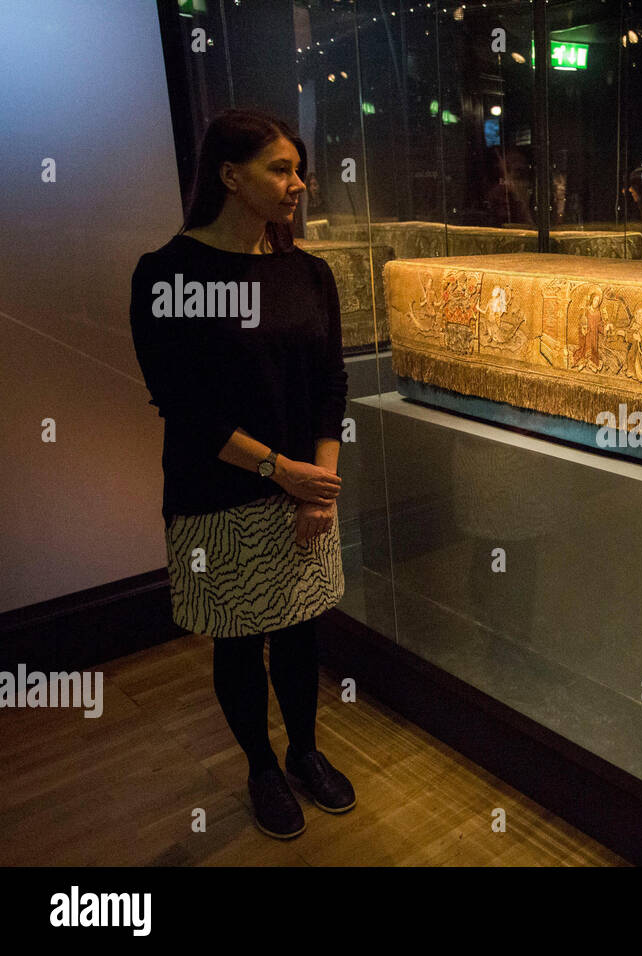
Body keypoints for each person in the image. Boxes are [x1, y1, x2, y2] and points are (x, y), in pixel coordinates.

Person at [129, 109, 355, 840]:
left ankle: (305, 752)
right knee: (237, 638)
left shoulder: (308, 272)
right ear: (230, 176)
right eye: (280, 169)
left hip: (302, 491)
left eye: (299, 169)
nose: (298, 184)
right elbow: (183, 408)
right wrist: (279, 470)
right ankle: (261, 764)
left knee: (298, 634)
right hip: (221, 492)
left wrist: (319, 483)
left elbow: (330, 387)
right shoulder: (166, 274)